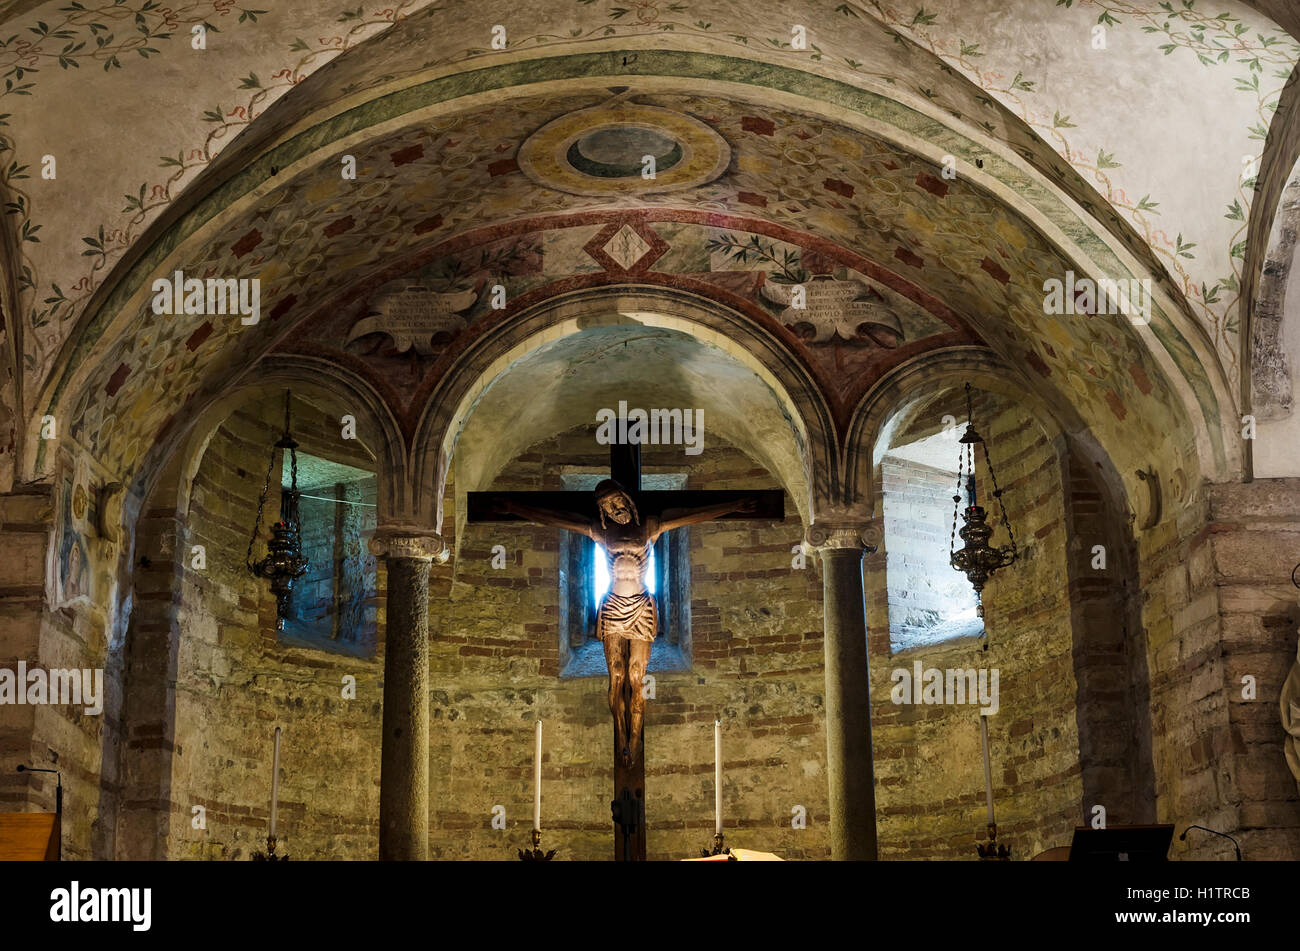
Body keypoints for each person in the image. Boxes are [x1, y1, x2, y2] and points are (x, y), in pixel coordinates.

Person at [498, 479, 756, 763]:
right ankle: (620, 732)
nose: (613, 509)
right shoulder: (601, 532)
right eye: (606, 507)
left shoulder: (649, 527)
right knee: (617, 675)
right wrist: (518, 508)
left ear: (626, 499)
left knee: (636, 677)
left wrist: (733, 505)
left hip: (641, 607)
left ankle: (635, 736)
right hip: (612, 607)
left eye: (615, 501)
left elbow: (689, 514)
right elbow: (560, 519)